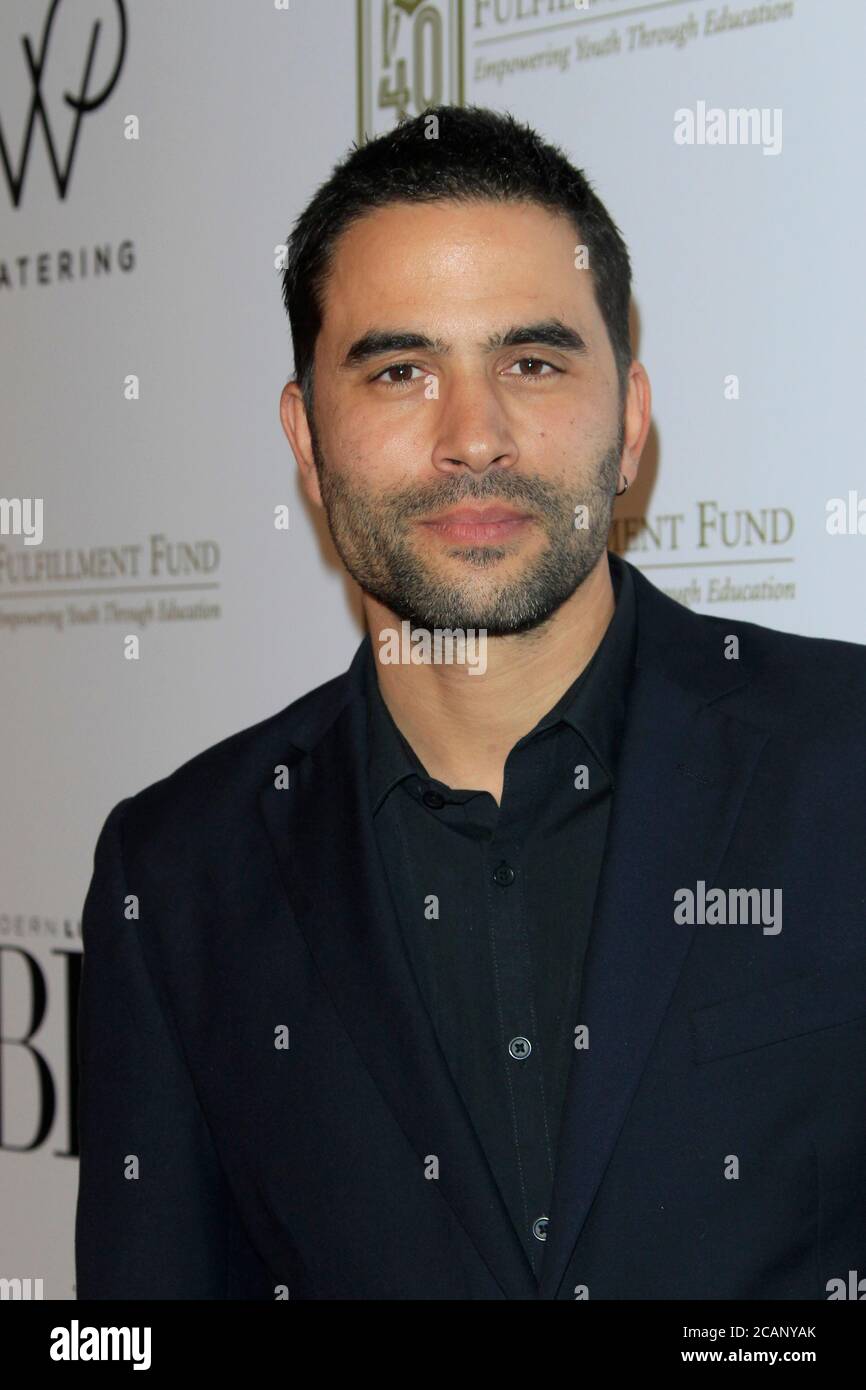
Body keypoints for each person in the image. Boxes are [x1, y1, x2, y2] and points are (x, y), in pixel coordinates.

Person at [76, 105, 866, 1301]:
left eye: (531, 362)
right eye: (400, 370)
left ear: (630, 419)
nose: (474, 436)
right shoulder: (177, 873)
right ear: (307, 439)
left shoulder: (842, 759)